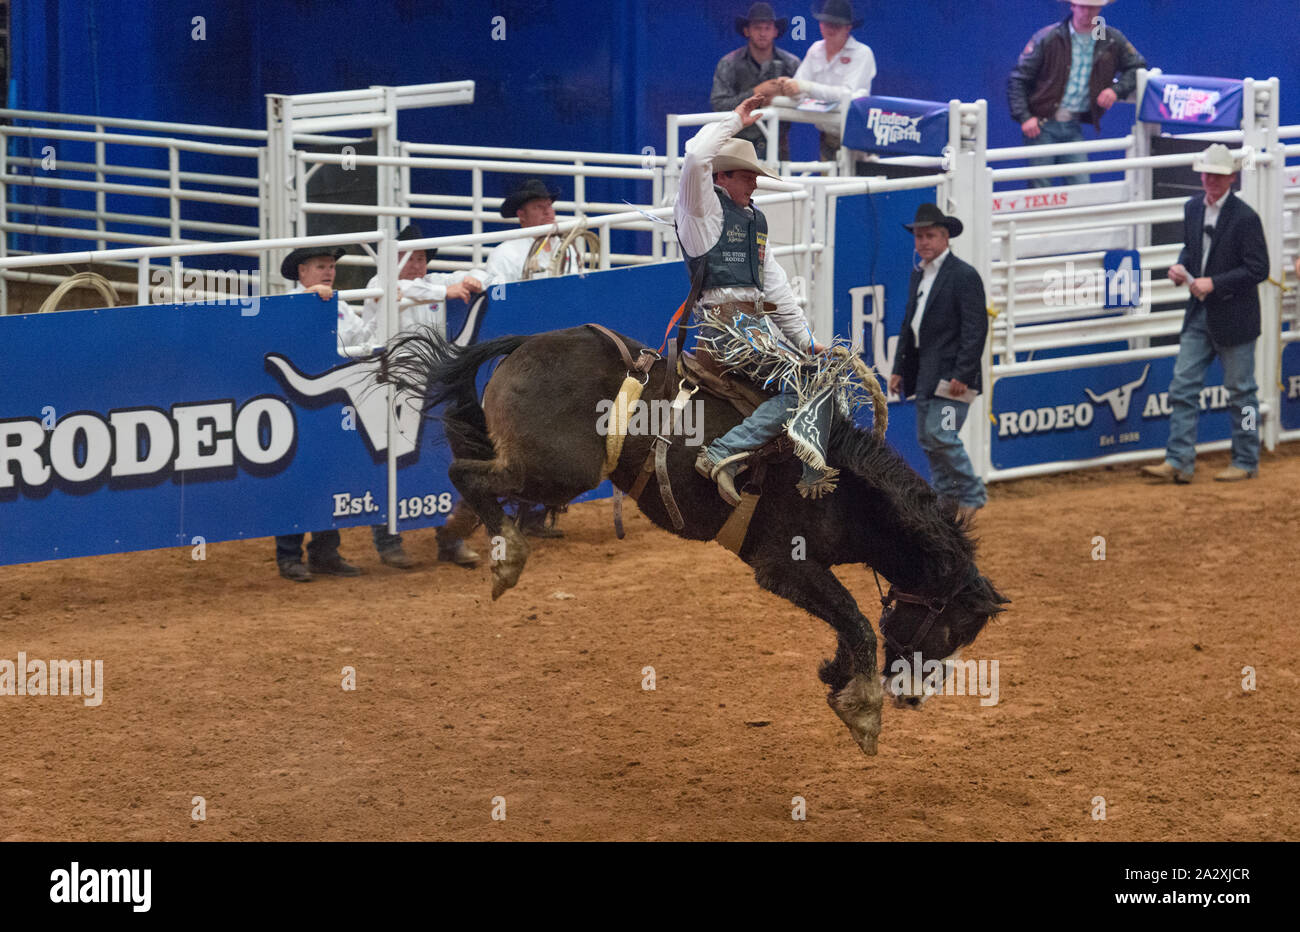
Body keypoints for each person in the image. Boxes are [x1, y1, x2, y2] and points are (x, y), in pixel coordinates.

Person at [677, 93, 824, 505]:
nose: (755, 182)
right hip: (726, 329)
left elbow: (774, 286)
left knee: (814, 371)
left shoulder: (753, 219)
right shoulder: (699, 210)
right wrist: (733, 121)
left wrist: (806, 341)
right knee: (806, 384)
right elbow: (694, 155)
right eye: (747, 175)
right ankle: (724, 452)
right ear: (721, 176)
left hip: (754, 329)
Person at [1142, 144, 1269, 484]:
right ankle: (1180, 459)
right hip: (1207, 313)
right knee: (1185, 386)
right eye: (1207, 174)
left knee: (1241, 392)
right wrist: (1182, 267)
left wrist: (1213, 282)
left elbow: (1258, 269)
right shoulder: (1195, 209)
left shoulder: (1245, 218)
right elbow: (1192, 249)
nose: (1210, 180)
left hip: (1230, 316)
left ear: (1231, 177)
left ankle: (1243, 458)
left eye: (1217, 175)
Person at [362, 223, 487, 568]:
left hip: (431, 386)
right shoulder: (382, 284)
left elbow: (480, 272)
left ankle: (448, 538)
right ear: (395, 259)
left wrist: (475, 279)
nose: (417, 264)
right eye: (409, 257)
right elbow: (400, 289)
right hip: (389, 383)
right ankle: (388, 539)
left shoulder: (432, 283)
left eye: (421, 258)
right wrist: (447, 292)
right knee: (389, 461)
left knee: (442, 462)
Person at [275, 245, 371, 582]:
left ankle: (324, 551)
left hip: (333, 400)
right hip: (297, 404)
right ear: (302, 272)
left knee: (330, 475)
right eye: (320, 266)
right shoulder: (287, 304)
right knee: (295, 478)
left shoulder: (340, 304)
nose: (329, 271)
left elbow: (363, 339)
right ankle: (289, 555)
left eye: (331, 266)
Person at [888, 203, 989, 521]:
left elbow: (975, 329)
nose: (923, 242)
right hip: (928, 374)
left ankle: (972, 493)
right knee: (929, 438)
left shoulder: (963, 275)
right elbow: (909, 324)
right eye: (919, 236)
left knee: (940, 435)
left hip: (952, 377)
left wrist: (963, 372)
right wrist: (898, 369)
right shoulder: (920, 275)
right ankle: (947, 499)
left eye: (929, 235)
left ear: (945, 237)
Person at [1007, 1, 1146, 188]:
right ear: (1072, 7)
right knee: (1040, 188)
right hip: (1043, 123)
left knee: (1081, 186)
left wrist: (1116, 90)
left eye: (1093, 7)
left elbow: (1136, 66)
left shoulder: (1108, 38)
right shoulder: (1050, 37)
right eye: (1083, 7)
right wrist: (1024, 117)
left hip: (1072, 124)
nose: (1087, 12)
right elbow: (1018, 79)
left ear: (1100, 10)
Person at [775, 0, 875, 162]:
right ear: (820, 24)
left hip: (857, 140)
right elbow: (799, 86)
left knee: (854, 187)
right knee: (828, 184)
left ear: (848, 27)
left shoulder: (862, 53)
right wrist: (789, 87)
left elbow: (847, 95)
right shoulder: (815, 50)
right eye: (827, 23)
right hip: (828, 139)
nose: (830, 28)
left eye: (837, 25)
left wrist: (805, 86)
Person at [710, 3, 801, 161]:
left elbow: (806, 101)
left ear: (775, 31)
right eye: (758, 28)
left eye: (767, 28)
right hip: (739, 145)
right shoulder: (729, 63)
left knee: (778, 185)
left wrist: (787, 95)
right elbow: (718, 106)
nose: (763, 33)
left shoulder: (791, 64)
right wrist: (756, 93)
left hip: (778, 146)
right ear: (747, 31)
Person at [483, 179, 583, 285]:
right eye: (538, 207)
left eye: (549, 205)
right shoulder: (504, 254)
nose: (547, 212)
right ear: (521, 215)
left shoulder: (565, 247)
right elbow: (498, 297)